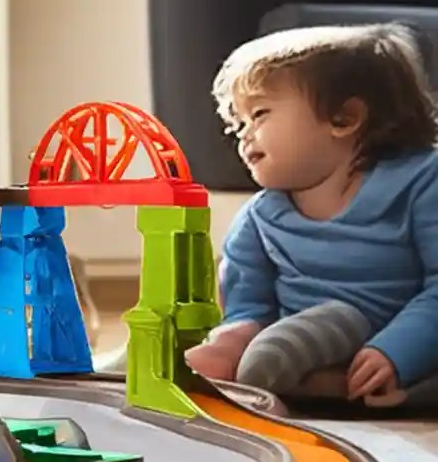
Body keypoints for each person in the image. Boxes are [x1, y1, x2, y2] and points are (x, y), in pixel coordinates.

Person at [184, 22, 438, 407]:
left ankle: (367, 389)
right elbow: (250, 303)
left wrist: (396, 350)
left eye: (260, 114)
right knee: (250, 352)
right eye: (238, 122)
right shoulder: (259, 217)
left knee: (279, 353)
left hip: (398, 345)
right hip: (304, 348)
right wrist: (232, 337)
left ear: (344, 118)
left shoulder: (421, 183)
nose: (243, 133)